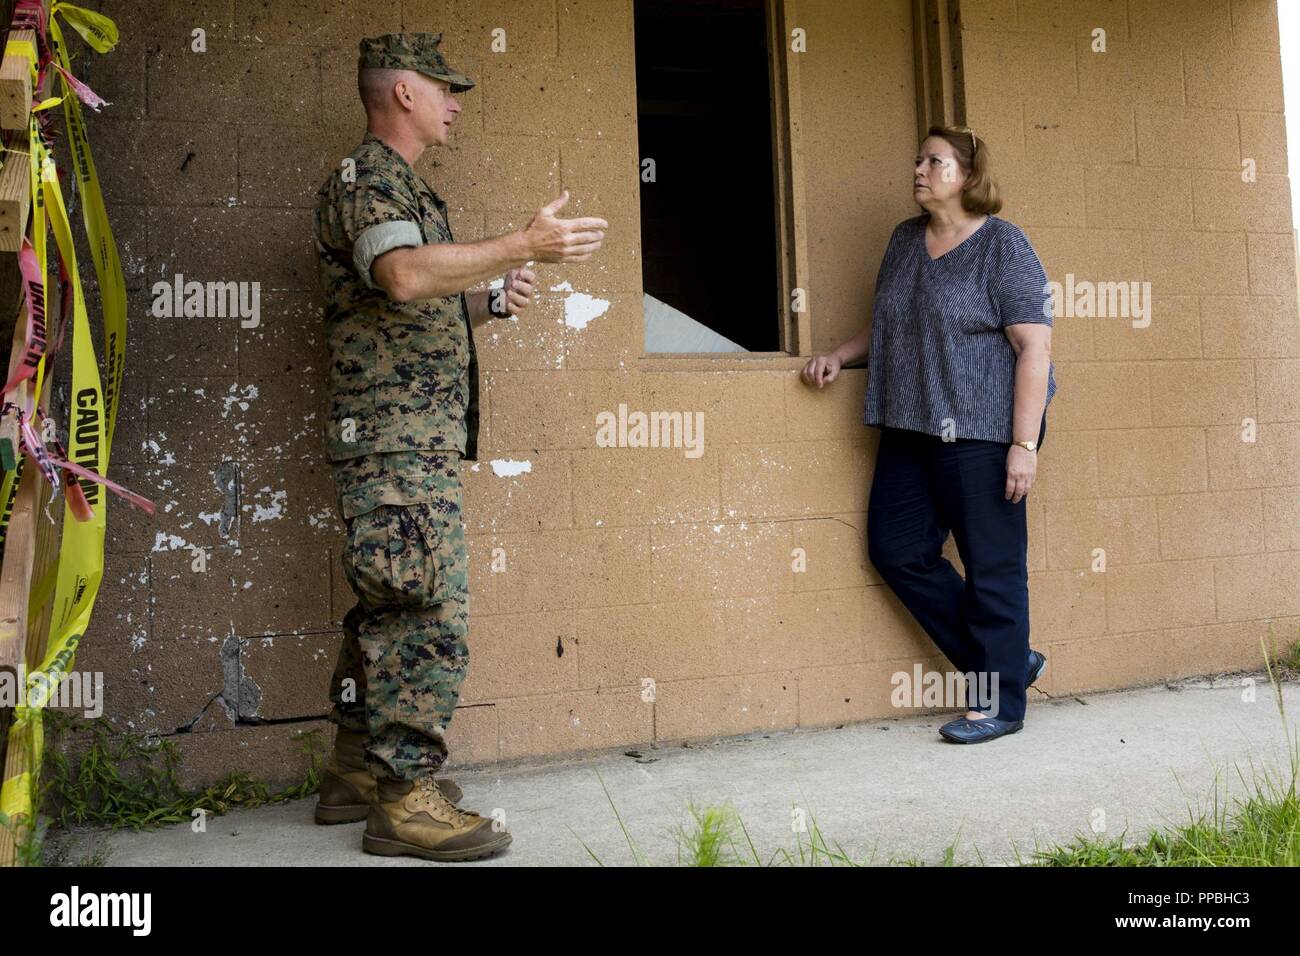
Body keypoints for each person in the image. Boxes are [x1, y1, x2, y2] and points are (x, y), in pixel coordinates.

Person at [311, 32, 607, 860]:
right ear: (403, 92)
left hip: (410, 440)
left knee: (388, 603)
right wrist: (522, 243)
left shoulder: (403, 187)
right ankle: (403, 801)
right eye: (444, 88)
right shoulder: (367, 179)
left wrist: (492, 302)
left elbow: (411, 301)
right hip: (392, 444)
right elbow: (403, 276)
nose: (456, 104)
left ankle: (354, 773)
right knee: (423, 613)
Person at [801, 125, 1055, 745]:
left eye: (935, 162)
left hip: (984, 430)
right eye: (918, 160)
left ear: (967, 176)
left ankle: (1001, 706)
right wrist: (840, 355)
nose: (919, 170)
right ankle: (1008, 662)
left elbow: (1034, 348)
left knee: (992, 565)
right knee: (896, 550)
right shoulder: (903, 240)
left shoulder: (1003, 245)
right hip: (910, 424)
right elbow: (893, 323)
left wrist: (1023, 446)